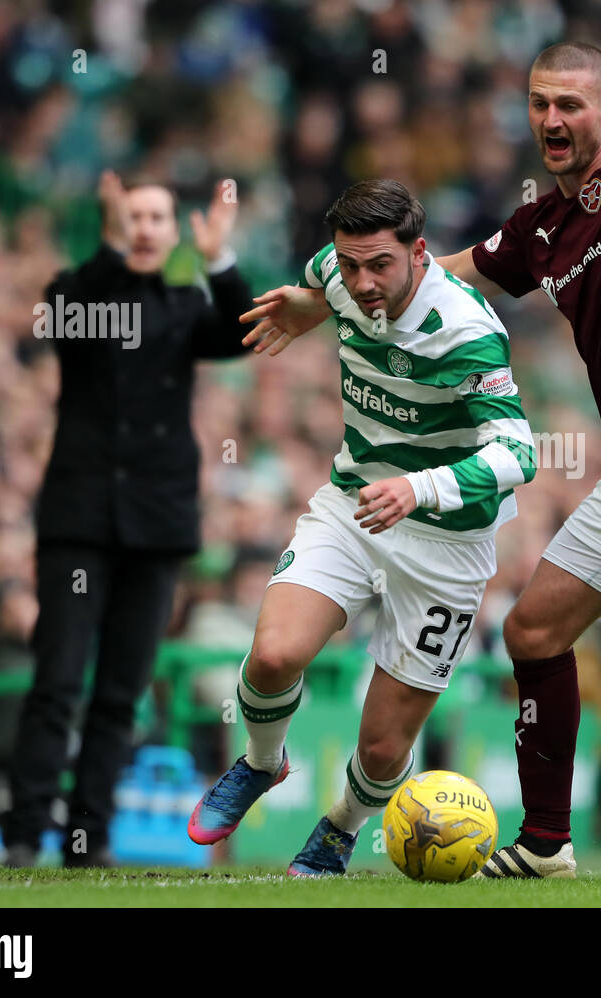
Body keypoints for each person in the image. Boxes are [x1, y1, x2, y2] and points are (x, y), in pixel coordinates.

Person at [245, 1, 601, 878]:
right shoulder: (538, 230)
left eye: (570, 104)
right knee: (535, 632)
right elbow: (424, 276)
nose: (552, 119)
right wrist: (317, 298)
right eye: (539, 103)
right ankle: (547, 843)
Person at [187, 180, 537, 876]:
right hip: (354, 503)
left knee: (382, 749)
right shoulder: (333, 271)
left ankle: (338, 831)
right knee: (274, 655)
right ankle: (262, 764)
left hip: (448, 539)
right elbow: (326, 288)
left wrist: (421, 487)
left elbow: (519, 453)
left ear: (420, 252)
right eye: (350, 265)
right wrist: (312, 305)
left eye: (380, 264)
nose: (362, 281)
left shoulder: (465, 330)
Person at [4, 172, 254, 868]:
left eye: (156, 217)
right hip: (79, 521)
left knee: (120, 693)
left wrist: (220, 258)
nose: (145, 227)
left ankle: (89, 839)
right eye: (134, 215)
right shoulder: (78, 288)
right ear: (117, 222)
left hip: (158, 525)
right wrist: (108, 244)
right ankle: (25, 835)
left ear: (174, 231)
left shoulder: (183, 303)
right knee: (57, 681)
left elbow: (242, 333)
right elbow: (66, 314)